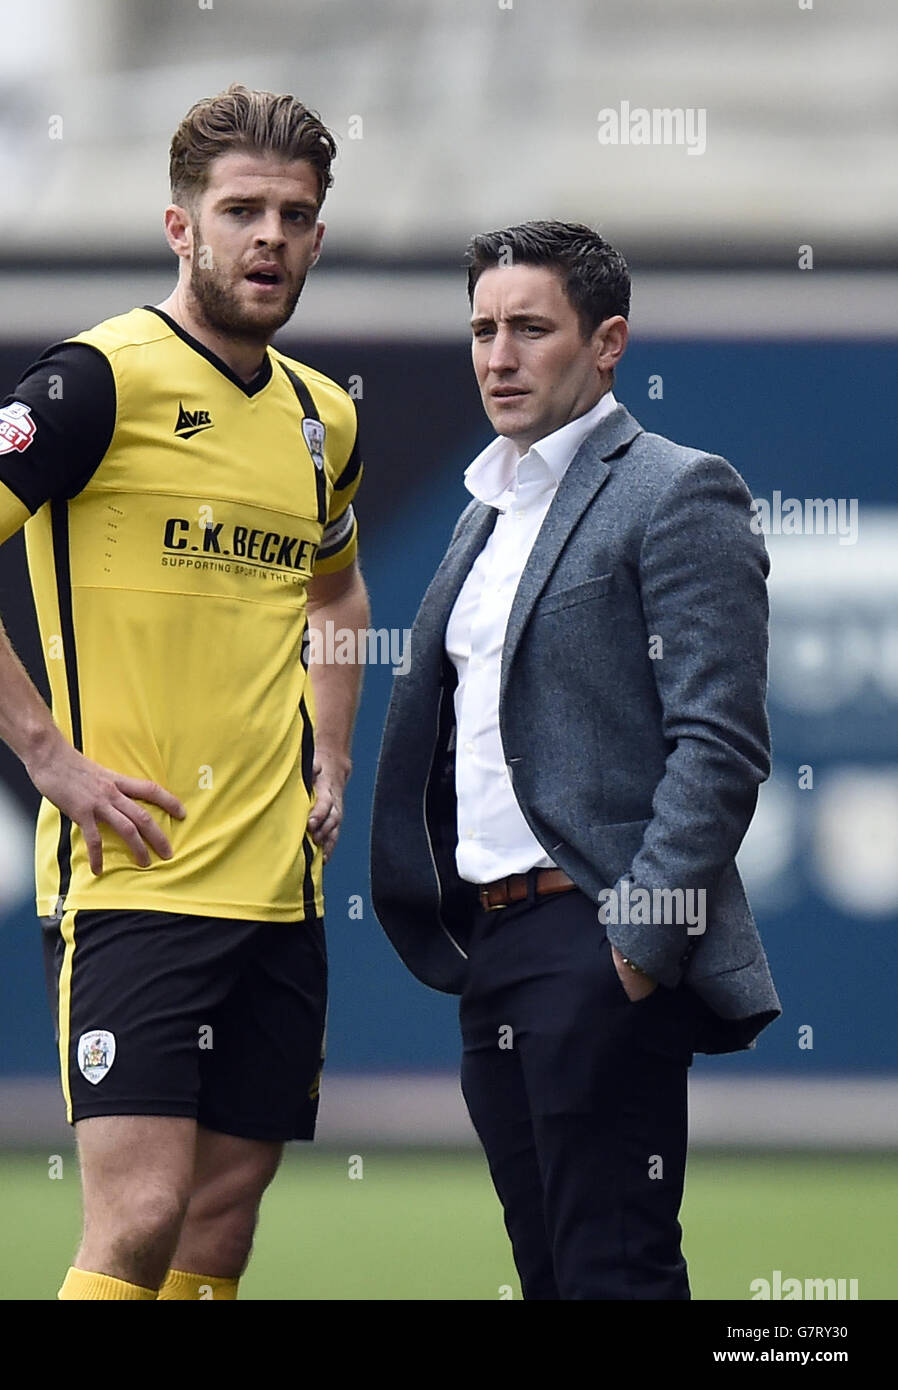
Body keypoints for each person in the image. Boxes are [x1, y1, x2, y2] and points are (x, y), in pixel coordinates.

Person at [0, 84, 369, 1302]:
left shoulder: (324, 417)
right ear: (178, 226)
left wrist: (333, 757)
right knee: (139, 1215)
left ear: (316, 238)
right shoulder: (101, 378)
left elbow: (337, 602)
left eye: (293, 216)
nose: (268, 236)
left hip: (277, 885)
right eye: (240, 209)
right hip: (134, 871)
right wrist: (46, 753)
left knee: (220, 1221)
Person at [369, 220, 780, 1300]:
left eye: (528, 329)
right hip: (494, 945)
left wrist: (637, 943)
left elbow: (721, 744)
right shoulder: (481, 514)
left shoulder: (678, 489)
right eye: (480, 329)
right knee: (551, 1274)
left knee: (615, 1273)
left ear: (606, 344)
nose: (496, 355)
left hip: (594, 936)